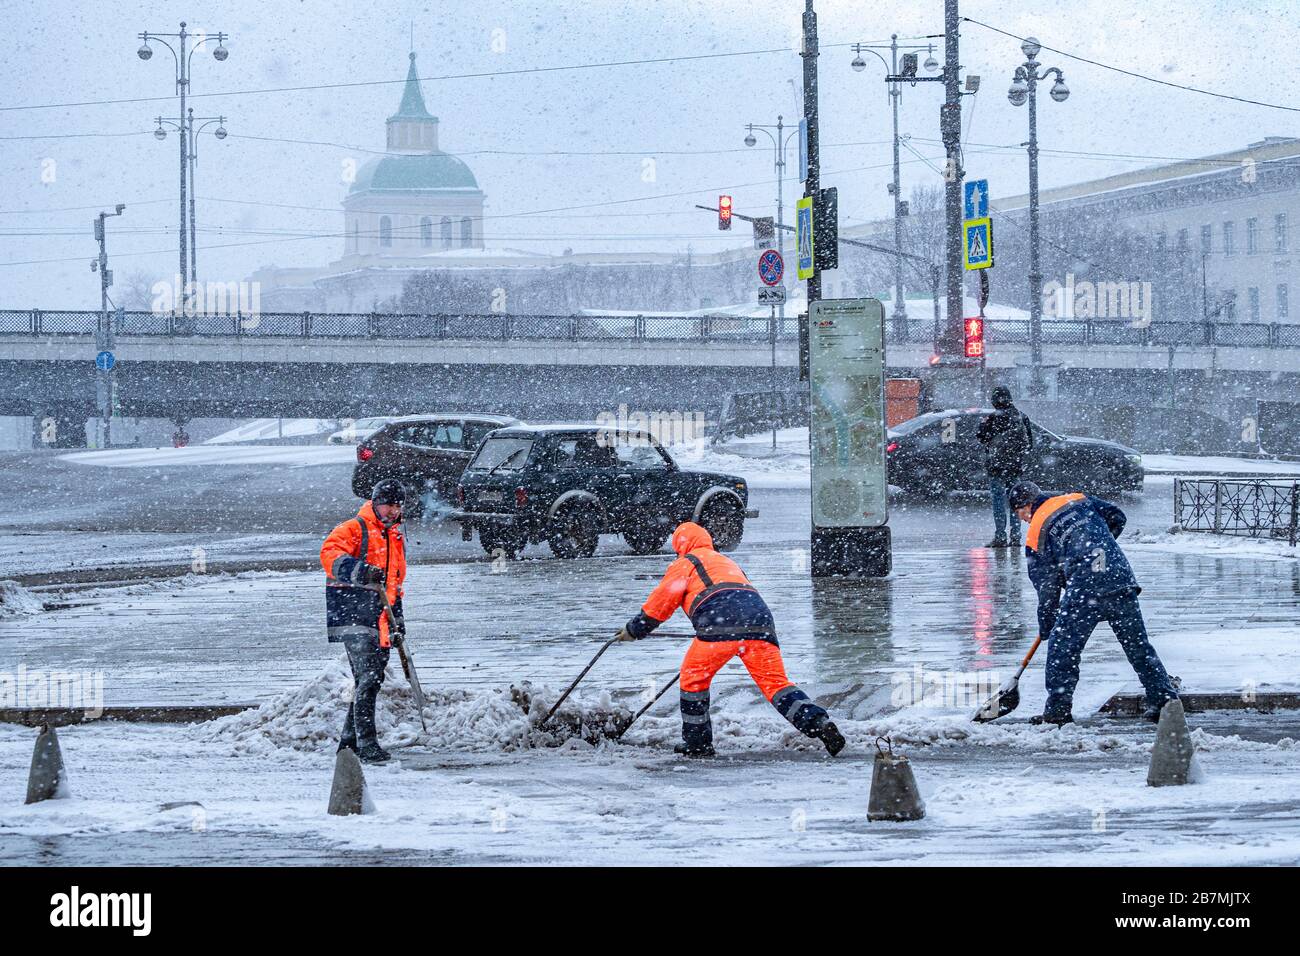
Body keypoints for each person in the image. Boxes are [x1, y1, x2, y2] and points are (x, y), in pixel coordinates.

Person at [617, 521, 845, 757]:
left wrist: (634, 630)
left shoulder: (686, 562)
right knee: (776, 684)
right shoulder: (726, 562)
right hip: (760, 625)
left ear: (680, 545)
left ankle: (698, 745)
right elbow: (738, 596)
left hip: (718, 625)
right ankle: (818, 722)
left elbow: (661, 604)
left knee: (694, 680)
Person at [1009, 480, 1179, 725]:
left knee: (1062, 649)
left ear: (1025, 507)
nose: (1023, 520)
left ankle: (1057, 711)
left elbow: (1047, 588)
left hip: (1085, 590)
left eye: (1019, 514)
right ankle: (1163, 700)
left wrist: (1047, 621)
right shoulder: (1078, 499)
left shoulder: (1036, 532)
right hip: (1119, 578)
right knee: (1138, 646)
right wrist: (1099, 547)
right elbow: (1117, 516)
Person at [320, 479, 408, 763]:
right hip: (354, 614)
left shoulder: (393, 537)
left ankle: (349, 742)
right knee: (368, 678)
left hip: (380, 619)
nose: (393, 511)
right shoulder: (355, 528)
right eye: (388, 504)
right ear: (375, 502)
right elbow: (329, 554)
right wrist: (360, 571)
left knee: (367, 679)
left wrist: (398, 620)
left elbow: (394, 584)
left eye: (398, 505)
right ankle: (367, 744)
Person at [977, 386, 1034, 548]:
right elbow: (1029, 443)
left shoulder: (992, 418)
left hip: (995, 467)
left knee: (998, 501)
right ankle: (1015, 537)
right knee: (1015, 501)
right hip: (1015, 467)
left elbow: (981, 437)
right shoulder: (1021, 417)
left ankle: (1000, 536)